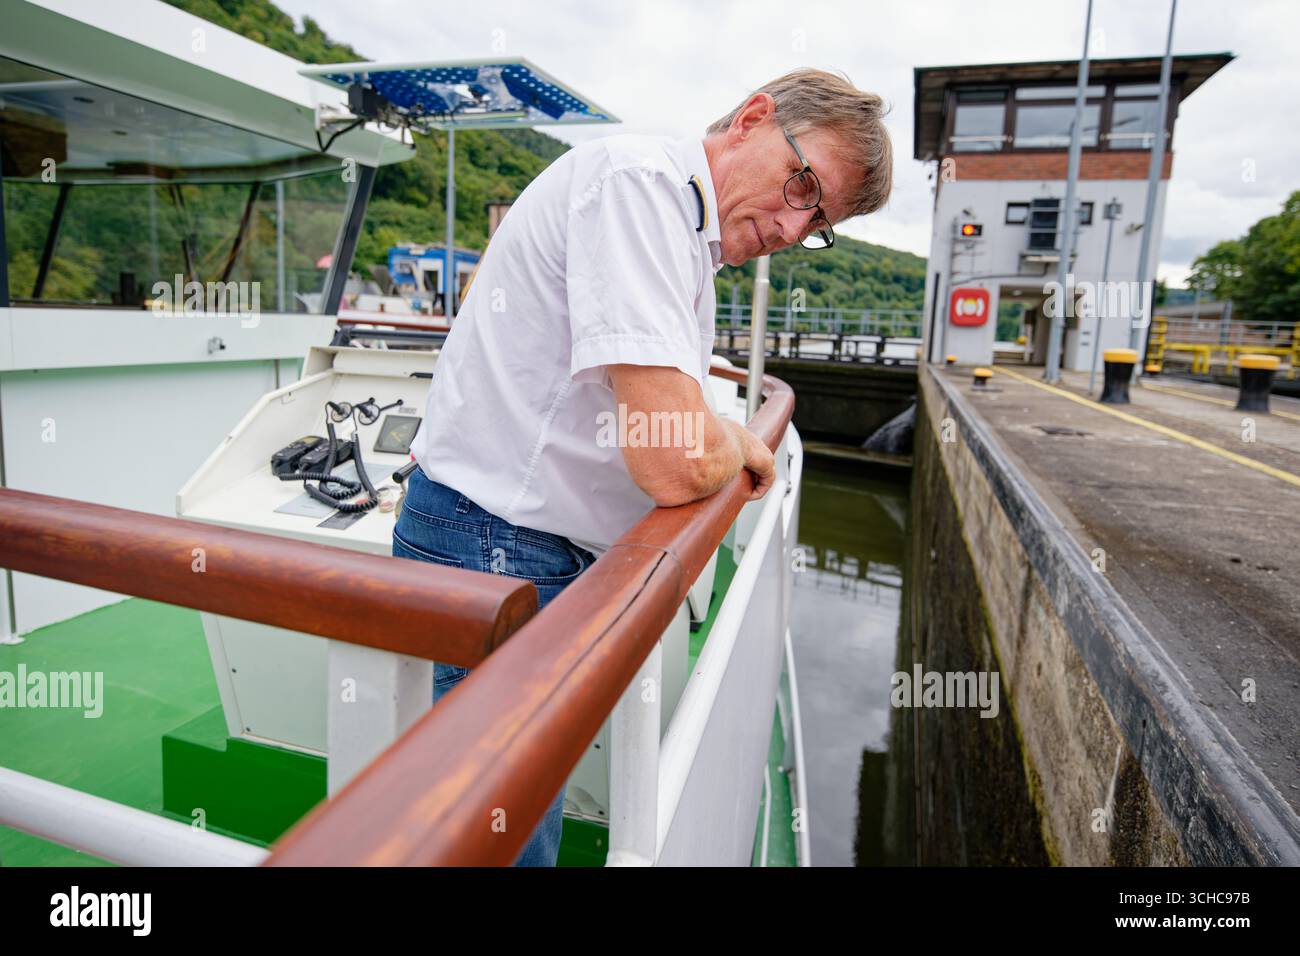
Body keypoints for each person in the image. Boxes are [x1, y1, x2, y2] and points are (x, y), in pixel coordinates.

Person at [391, 68, 893, 865]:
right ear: (753, 117)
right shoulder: (640, 190)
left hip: (519, 540)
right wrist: (743, 444)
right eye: (805, 187)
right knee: (502, 830)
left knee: (508, 809)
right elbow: (674, 457)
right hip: (495, 543)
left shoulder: (681, 224)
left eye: (820, 223)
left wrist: (701, 418)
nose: (796, 230)